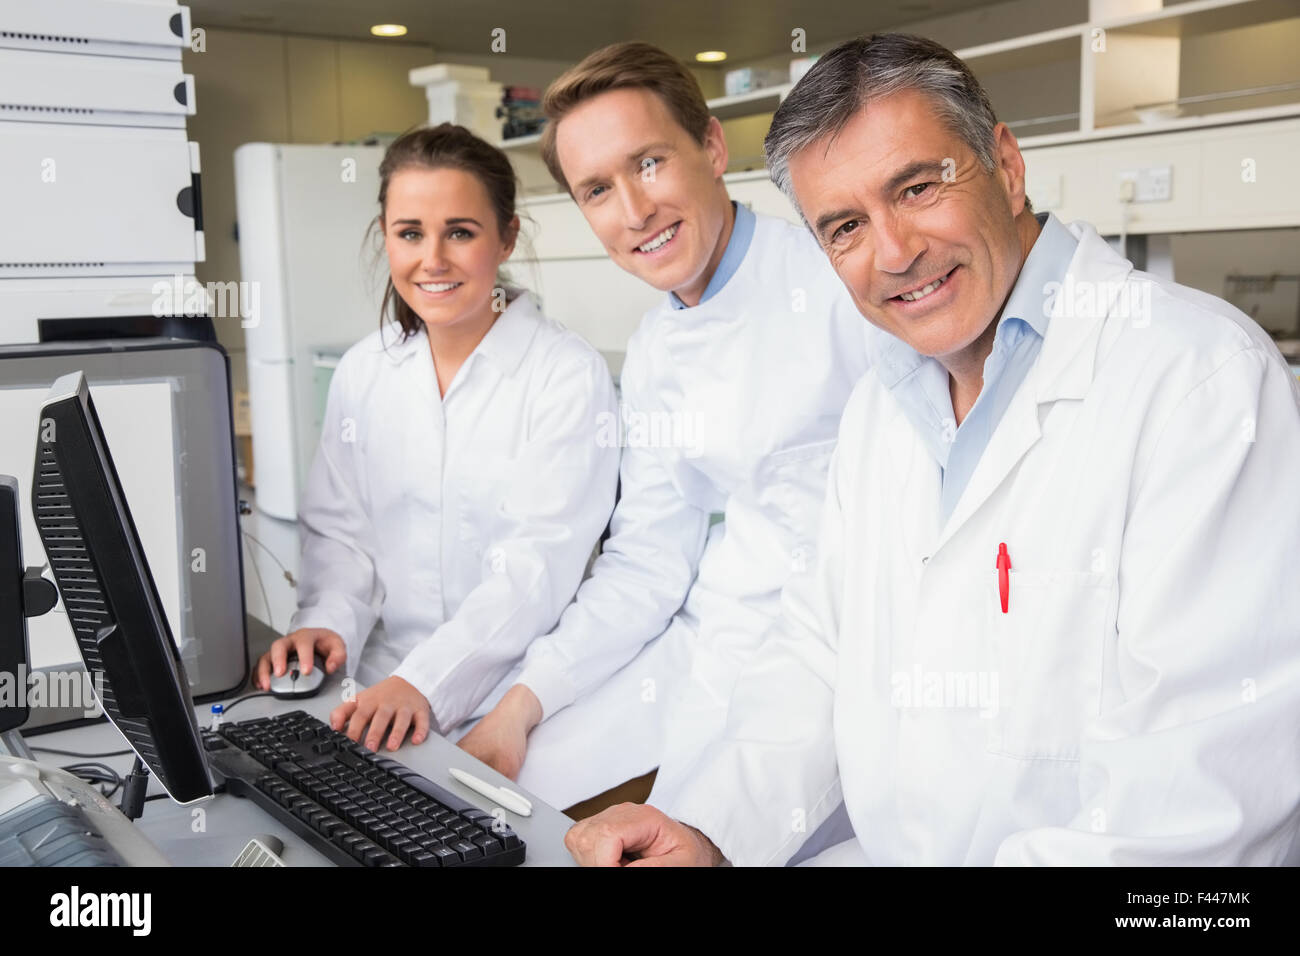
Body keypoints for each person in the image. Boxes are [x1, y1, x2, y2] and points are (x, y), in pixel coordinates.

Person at [565, 33, 1300, 866]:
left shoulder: (1198, 380)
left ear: (1007, 165)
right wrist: (710, 827)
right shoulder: (885, 401)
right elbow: (818, 652)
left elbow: (1200, 811)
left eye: (917, 186)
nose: (894, 251)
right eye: (844, 226)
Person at [457, 42, 872, 822]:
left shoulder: (841, 284)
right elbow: (649, 555)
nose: (634, 212)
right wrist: (525, 700)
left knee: (697, 830)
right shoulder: (655, 347)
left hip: (841, 669)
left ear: (712, 148)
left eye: (648, 163)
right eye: (597, 190)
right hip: (711, 644)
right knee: (492, 797)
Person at [253, 123, 619, 754]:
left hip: (512, 697)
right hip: (373, 685)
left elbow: (534, 569)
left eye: (460, 232)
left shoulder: (565, 374)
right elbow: (343, 536)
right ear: (385, 239)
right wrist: (323, 623)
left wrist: (423, 682)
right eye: (410, 233)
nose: (433, 259)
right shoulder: (365, 370)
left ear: (506, 237)